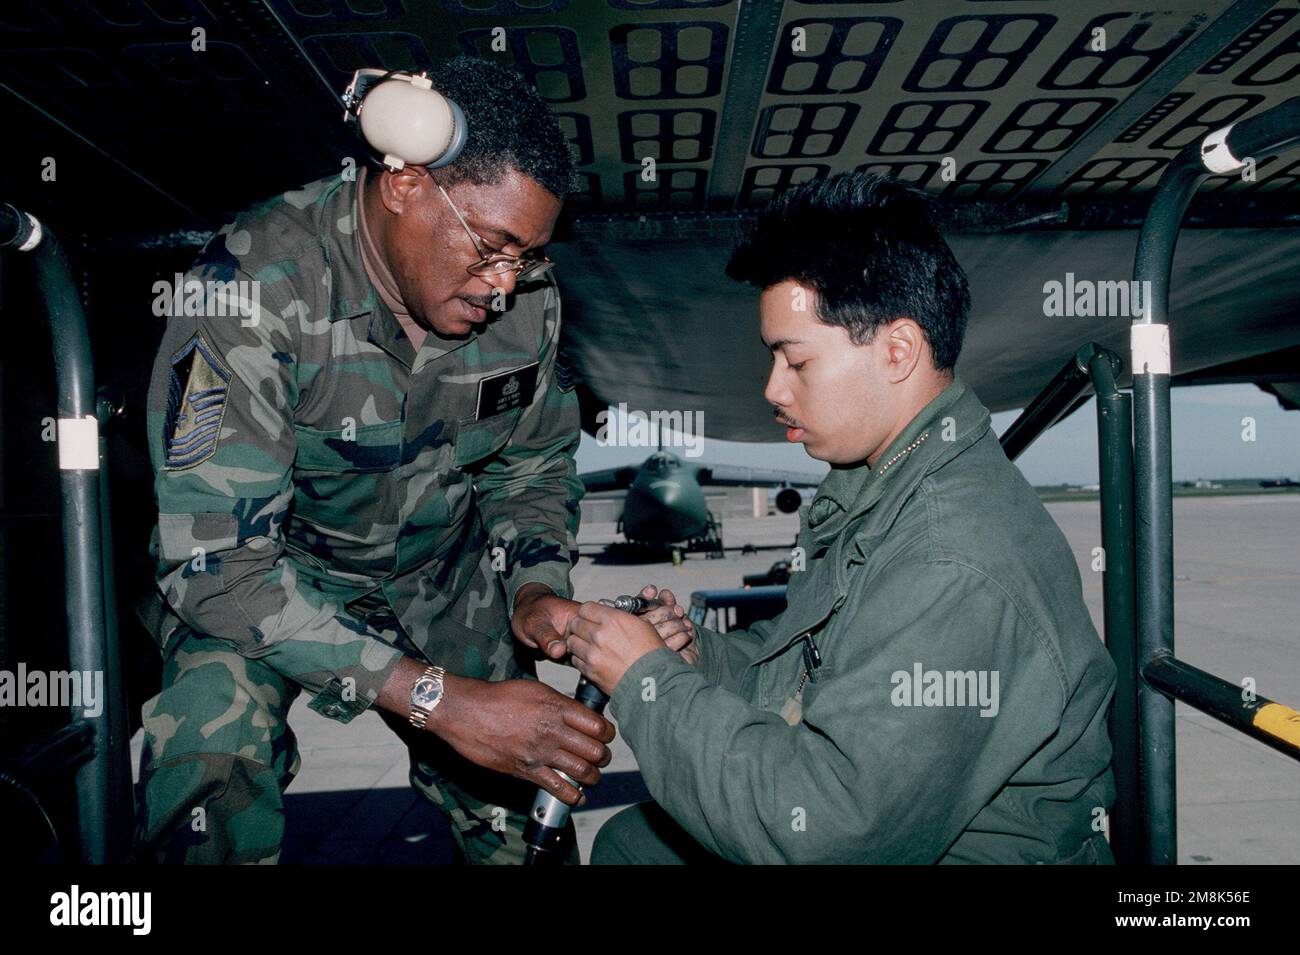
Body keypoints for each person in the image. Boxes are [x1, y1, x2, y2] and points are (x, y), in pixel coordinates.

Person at [135, 56, 614, 864]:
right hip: (271, 578)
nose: (504, 286)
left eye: (525, 257)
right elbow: (214, 567)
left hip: (440, 576)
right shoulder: (248, 292)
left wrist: (535, 586)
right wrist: (438, 700)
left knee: (518, 808)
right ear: (403, 185)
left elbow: (529, 468)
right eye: (492, 247)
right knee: (209, 766)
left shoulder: (526, 304)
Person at [564, 171, 1118, 864]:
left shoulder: (949, 558)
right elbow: (806, 675)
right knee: (631, 844)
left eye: (794, 361)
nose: (773, 388)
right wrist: (694, 658)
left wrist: (647, 681)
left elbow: (828, 832)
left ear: (897, 351)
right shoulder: (882, 493)